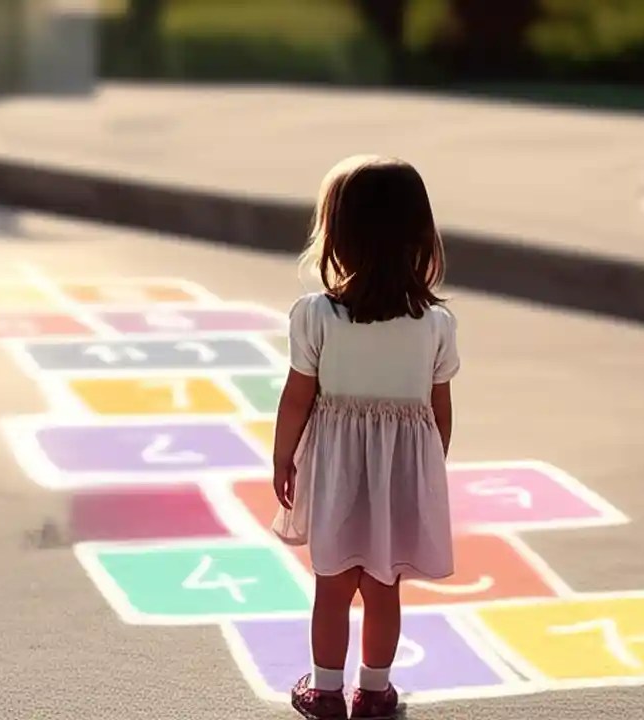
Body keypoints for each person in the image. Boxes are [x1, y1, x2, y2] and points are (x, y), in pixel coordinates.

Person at [269, 155, 458, 720]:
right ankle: (374, 692)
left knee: (333, 584)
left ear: (338, 236)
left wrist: (284, 458)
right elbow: (438, 411)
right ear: (419, 238)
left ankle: (325, 690)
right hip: (403, 471)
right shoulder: (436, 323)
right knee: (384, 586)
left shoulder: (316, 316)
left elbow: (297, 397)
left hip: (335, 470)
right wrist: (427, 471)